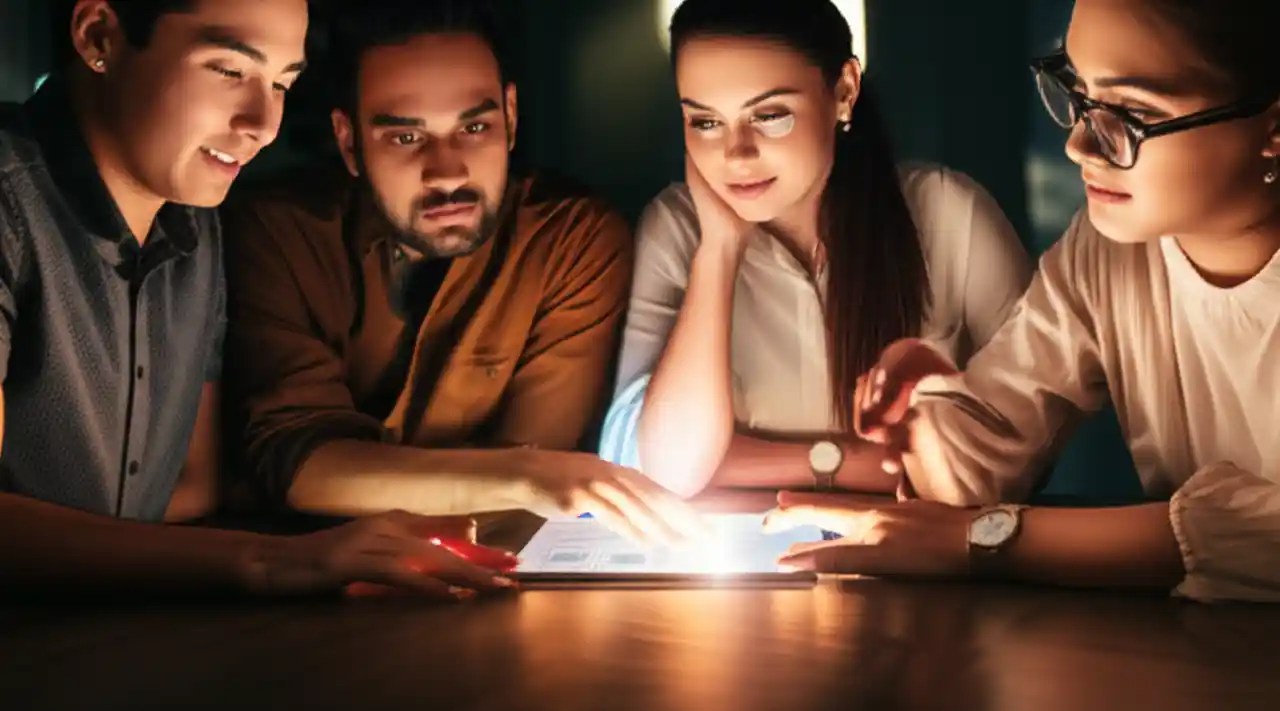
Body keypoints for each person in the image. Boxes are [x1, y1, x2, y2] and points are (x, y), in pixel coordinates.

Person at [0, 0, 517, 601]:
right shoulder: (13, 201)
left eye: (281, 83)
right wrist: (275, 560)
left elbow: (188, 492)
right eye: (228, 70)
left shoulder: (198, 225)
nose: (264, 124)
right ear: (99, 36)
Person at [768, 0, 1280, 603]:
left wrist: (984, 540)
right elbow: (981, 463)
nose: (1079, 144)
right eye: (1078, 92)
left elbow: (1262, 533)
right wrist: (931, 414)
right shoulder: (1109, 253)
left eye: (1134, 113)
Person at [221, 0, 704, 546]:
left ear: (511, 118)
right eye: (406, 138)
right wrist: (524, 476)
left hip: (489, 570)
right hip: (295, 575)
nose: (447, 172)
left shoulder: (566, 240)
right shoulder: (279, 235)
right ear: (349, 142)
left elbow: (532, 493)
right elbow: (295, 463)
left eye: (474, 127)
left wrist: (528, 479)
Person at [598, 0, 1031, 499]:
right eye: (706, 122)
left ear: (844, 91)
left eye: (770, 115)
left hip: (909, 542)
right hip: (743, 544)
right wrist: (718, 249)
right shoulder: (678, 227)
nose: (736, 153)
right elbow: (664, 469)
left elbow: (1021, 447)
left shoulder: (950, 213)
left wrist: (744, 462)